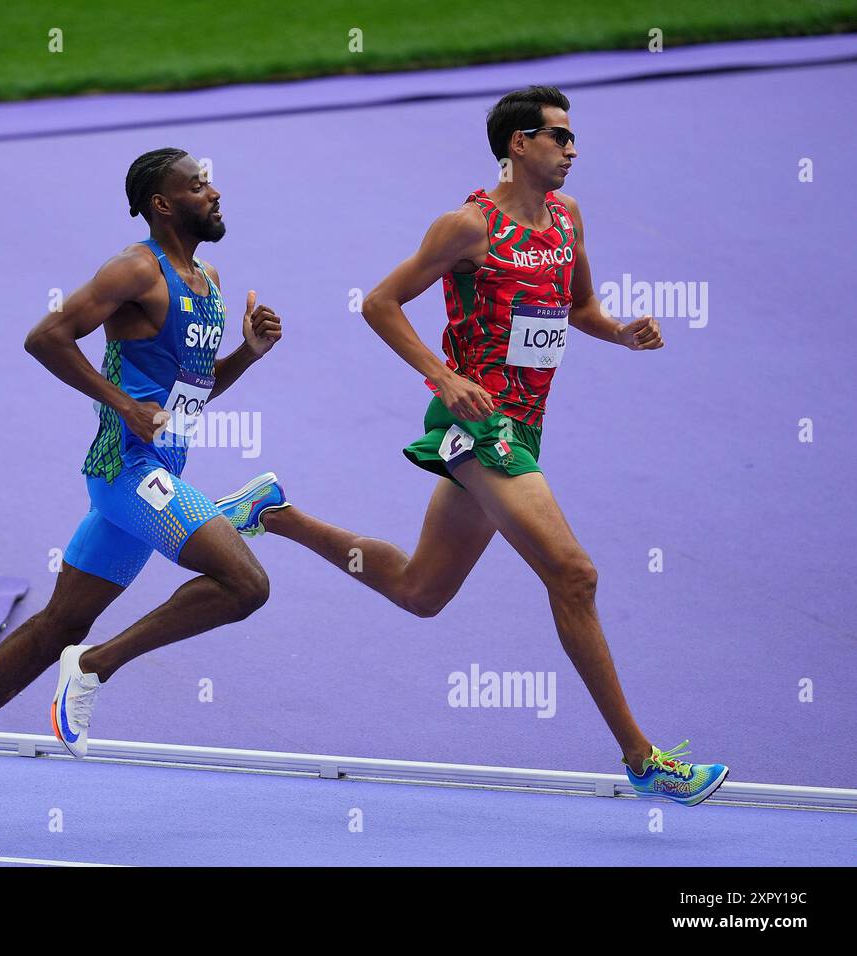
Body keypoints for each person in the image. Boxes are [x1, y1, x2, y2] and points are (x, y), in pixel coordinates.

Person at [215, 86, 728, 807]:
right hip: (481, 428)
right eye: (559, 137)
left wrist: (618, 331)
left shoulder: (567, 219)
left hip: (528, 426)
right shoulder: (466, 227)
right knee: (574, 576)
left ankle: (274, 513)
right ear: (519, 144)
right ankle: (642, 759)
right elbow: (379, 302)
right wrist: (443, 375)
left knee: (421, 591)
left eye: (574, 138)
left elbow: (578, 306)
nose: (573, 150)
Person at [0, 148, 281, 843]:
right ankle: (97, 664)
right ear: (163, 203)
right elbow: (45, 337)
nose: (214, 191)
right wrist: (122, 407)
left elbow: (187, 397)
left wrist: (246, 354)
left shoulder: (208, 280)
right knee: (246, 584)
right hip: (127, 470)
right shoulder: (136, 269)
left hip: (161, 467)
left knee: (56, 624)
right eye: (197, 186)